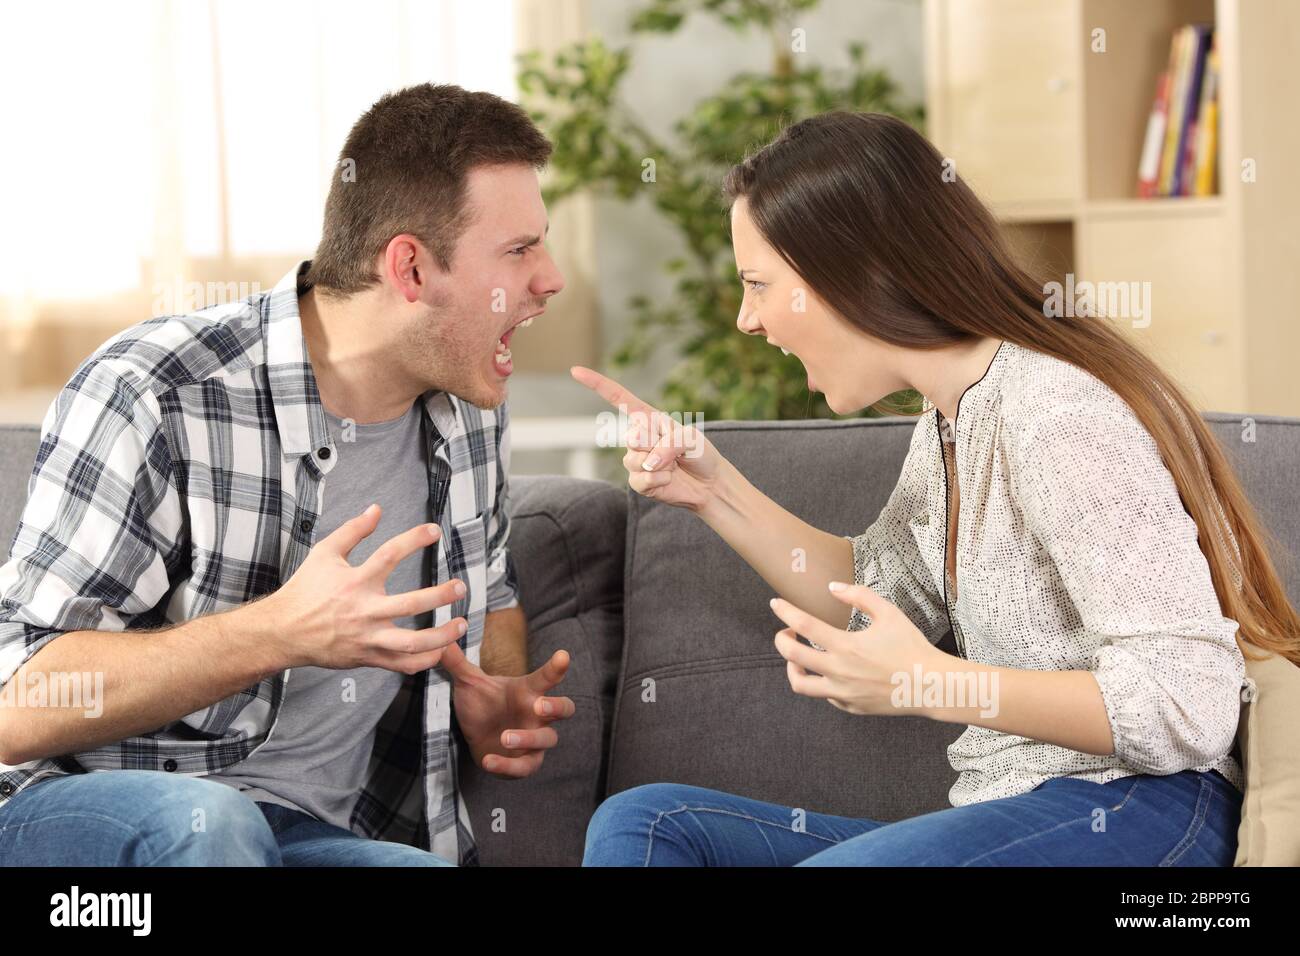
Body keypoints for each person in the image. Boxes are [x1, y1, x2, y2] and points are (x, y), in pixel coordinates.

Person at [574, 111, 1300, 866]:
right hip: (1016, 812)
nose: (746, 320)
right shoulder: (952, 421)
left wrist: (934, 684)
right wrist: (713, 491)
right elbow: (875, 597)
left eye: (759, 285)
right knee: (649, 825)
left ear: (851, 273)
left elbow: (1190, 702)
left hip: (1142, 810)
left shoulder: (1056, 414)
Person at [0, 83, 573, 866]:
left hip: (306, 835)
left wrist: (491, 689)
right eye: (519, 250)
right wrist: (277, 632)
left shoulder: (469, 409)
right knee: (214, 831)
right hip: (82, 814)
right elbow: (17, 702)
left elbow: (494, 596)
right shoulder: (159, 394)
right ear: (409, 267)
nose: (551, 279)